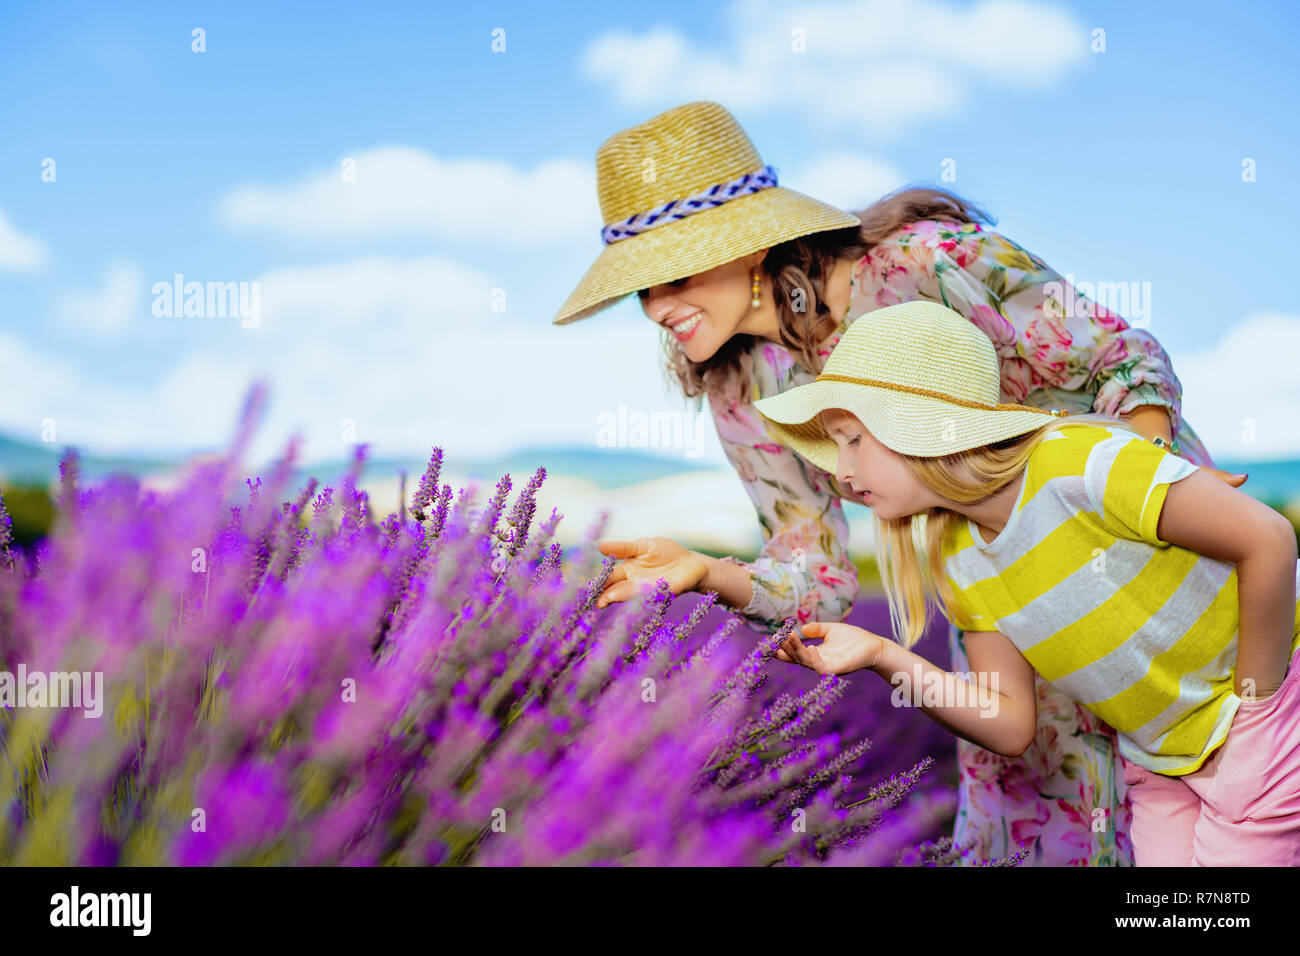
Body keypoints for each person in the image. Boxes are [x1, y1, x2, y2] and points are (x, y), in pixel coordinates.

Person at [553, 99, 1248, 865]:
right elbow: (814, 575)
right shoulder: (739, 388)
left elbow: (1120, 358)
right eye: (641, 288)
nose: (656, 308)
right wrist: (707, 572)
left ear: (748, 244)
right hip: (1001, 616)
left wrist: (1145, 489)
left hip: (1151, 573)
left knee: (1232, 815)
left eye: (673, 274)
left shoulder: (925, 264)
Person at [755, 299, 1300, 867]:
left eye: (853, 440)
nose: (841, 471)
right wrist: (881, 654)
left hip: (1269, 717)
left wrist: (1256, 714)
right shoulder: (960, 557)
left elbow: (1268, 539)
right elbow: (1010, 723)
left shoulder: (1076, 464)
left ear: (918, 421)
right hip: (1164, 761)